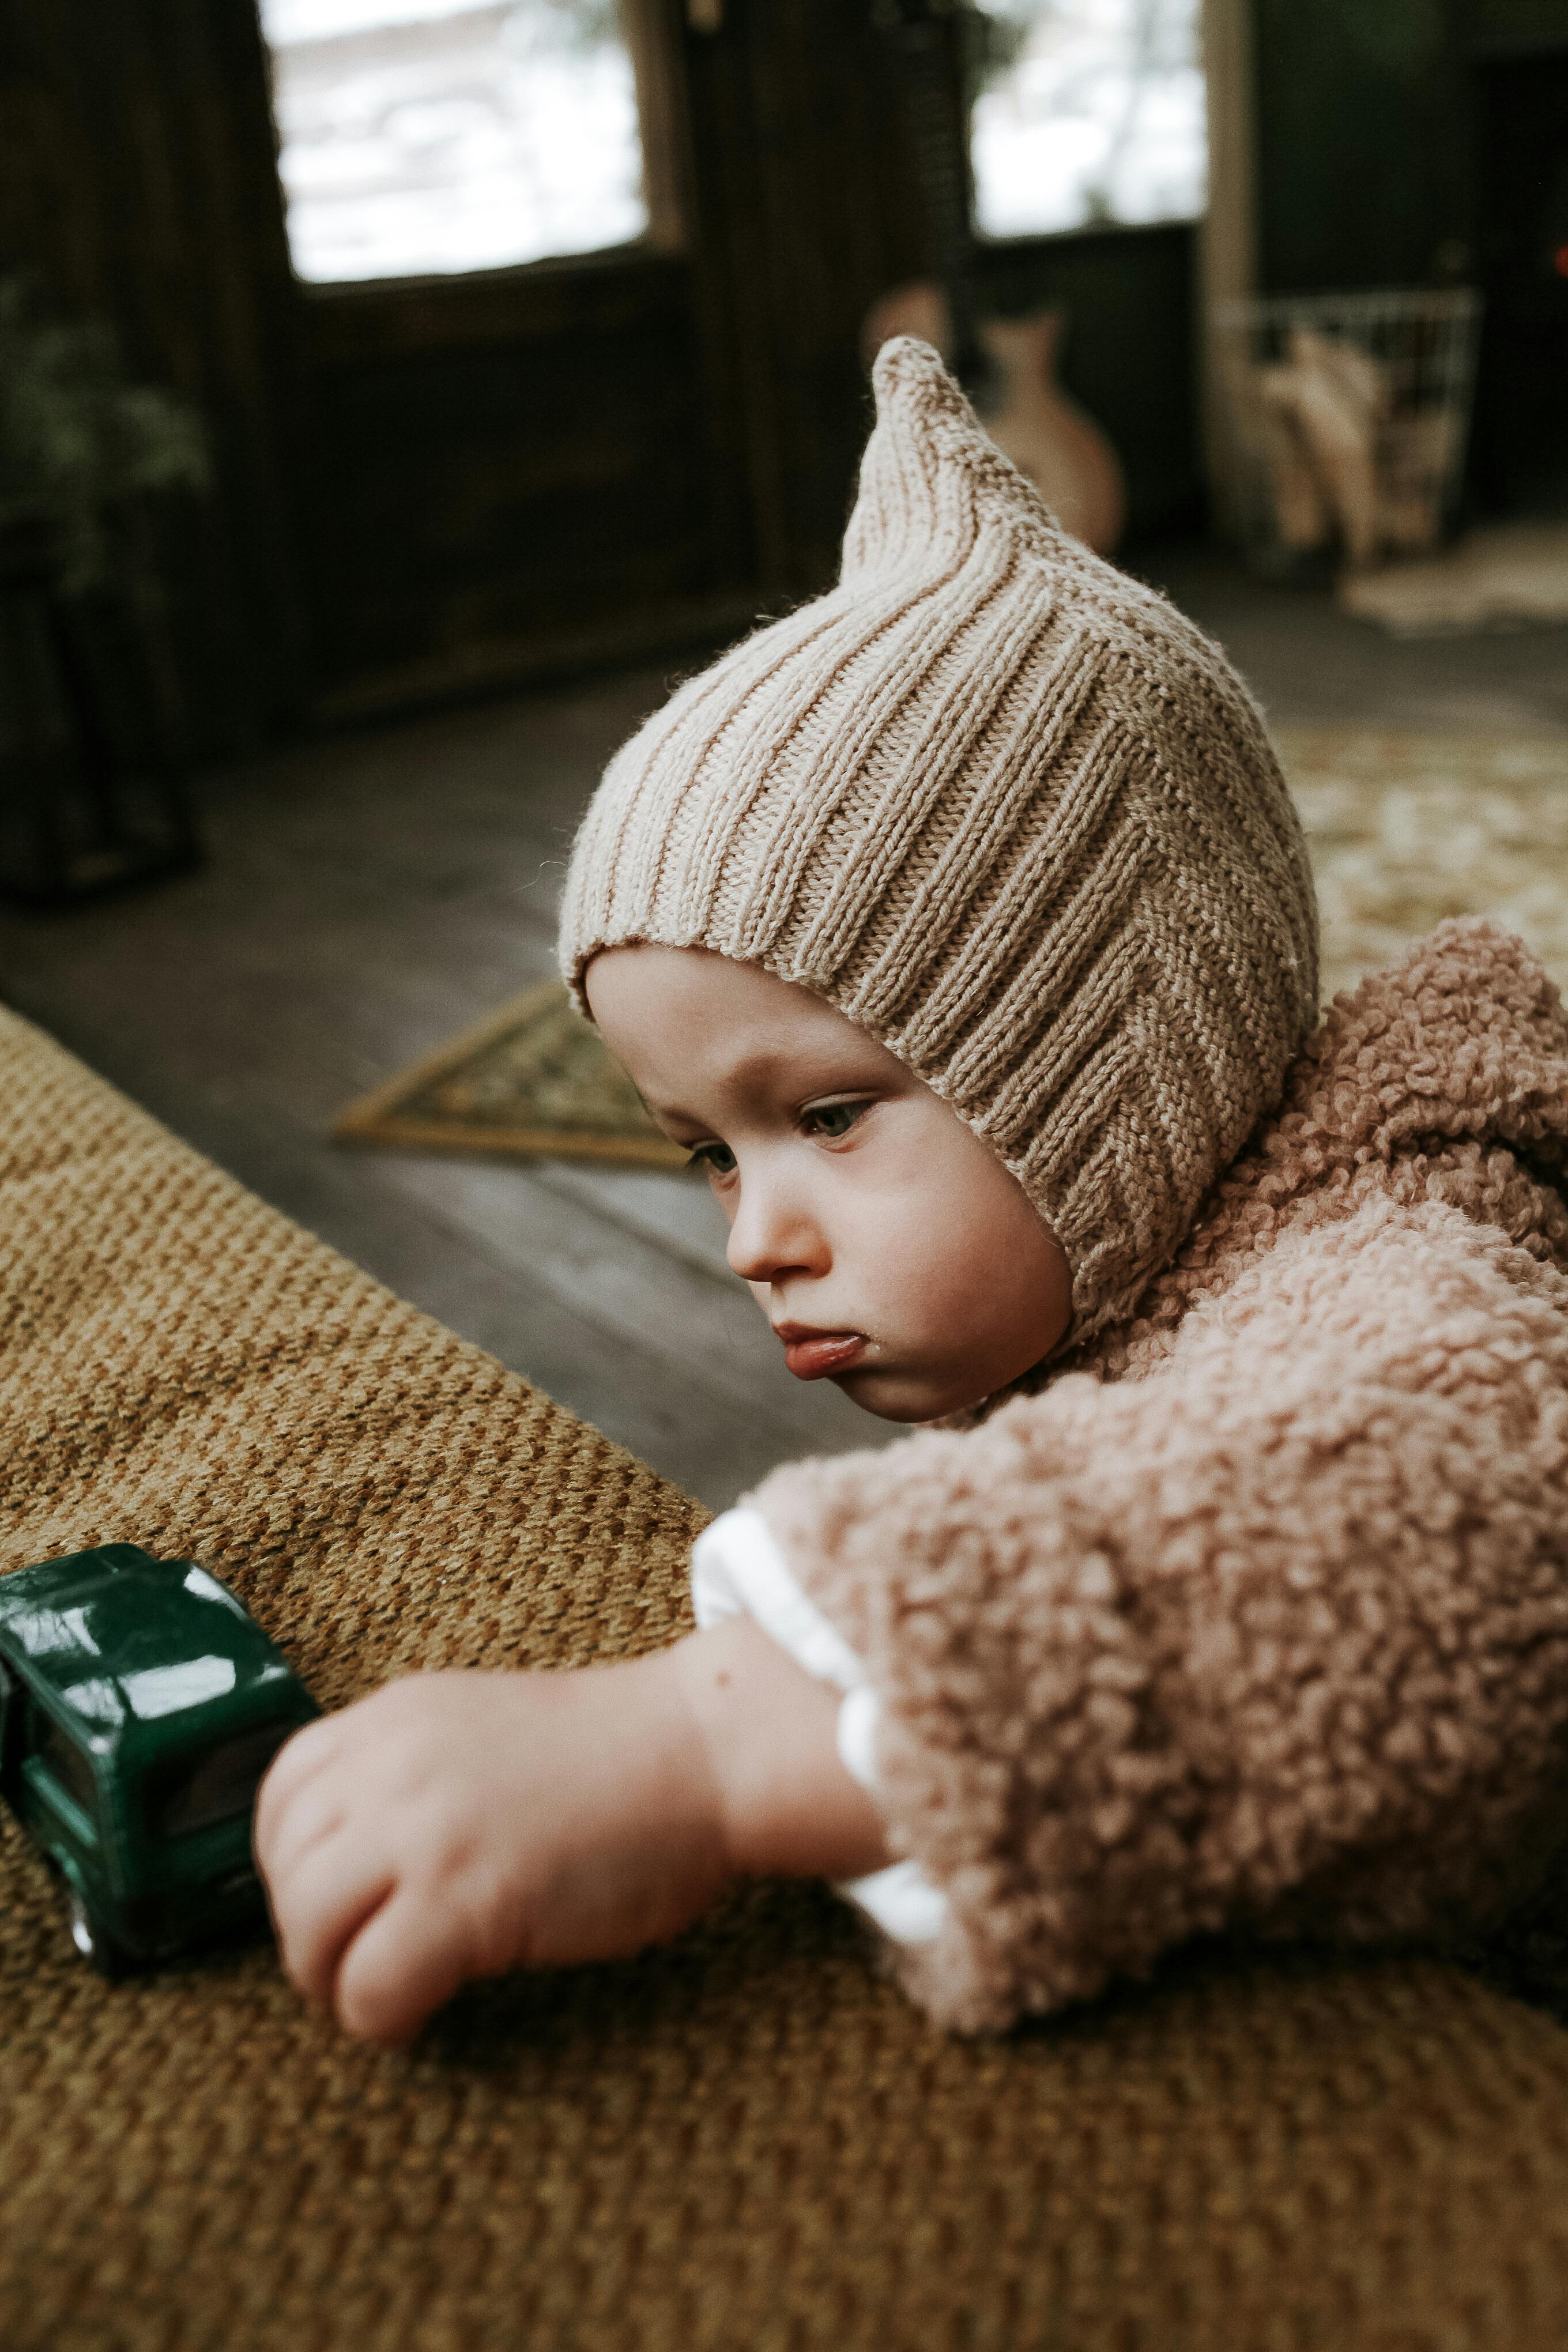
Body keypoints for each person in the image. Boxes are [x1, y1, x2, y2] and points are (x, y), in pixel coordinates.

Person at [255, 340, 1568, 2049]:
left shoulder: (1391, 1263)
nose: (756, 1238)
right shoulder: (1131, 1265)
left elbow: (1449, 1527)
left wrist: (708, 1744)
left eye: (829, 1116)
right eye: (712, 1151)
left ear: (1123, 1075)